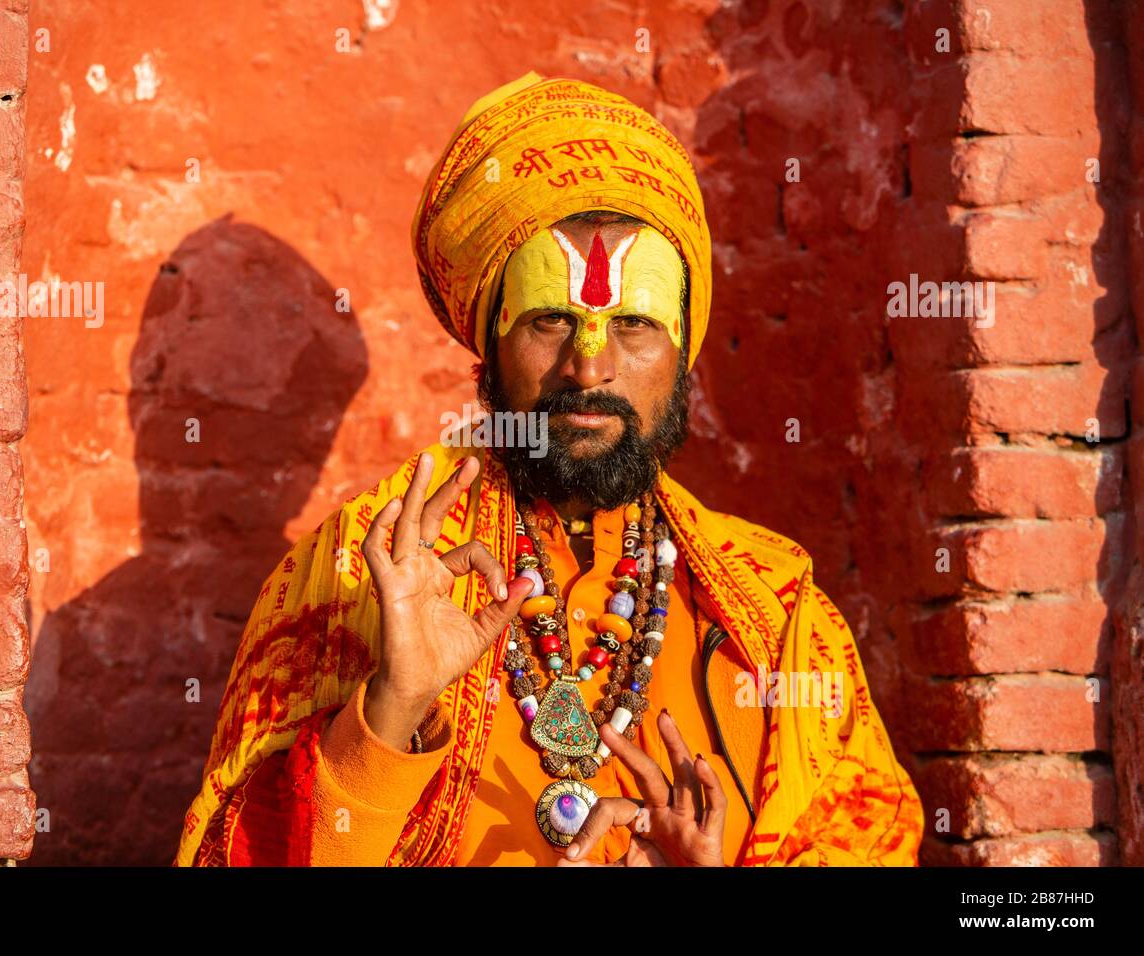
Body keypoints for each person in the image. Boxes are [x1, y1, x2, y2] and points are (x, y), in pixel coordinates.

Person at [175, 71, 924, 867]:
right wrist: (391, 712)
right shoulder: (364, 570)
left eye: (633, 322)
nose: (589, 366)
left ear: (684, 349)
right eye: (550, 320)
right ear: (489, 342)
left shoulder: (777, 619)